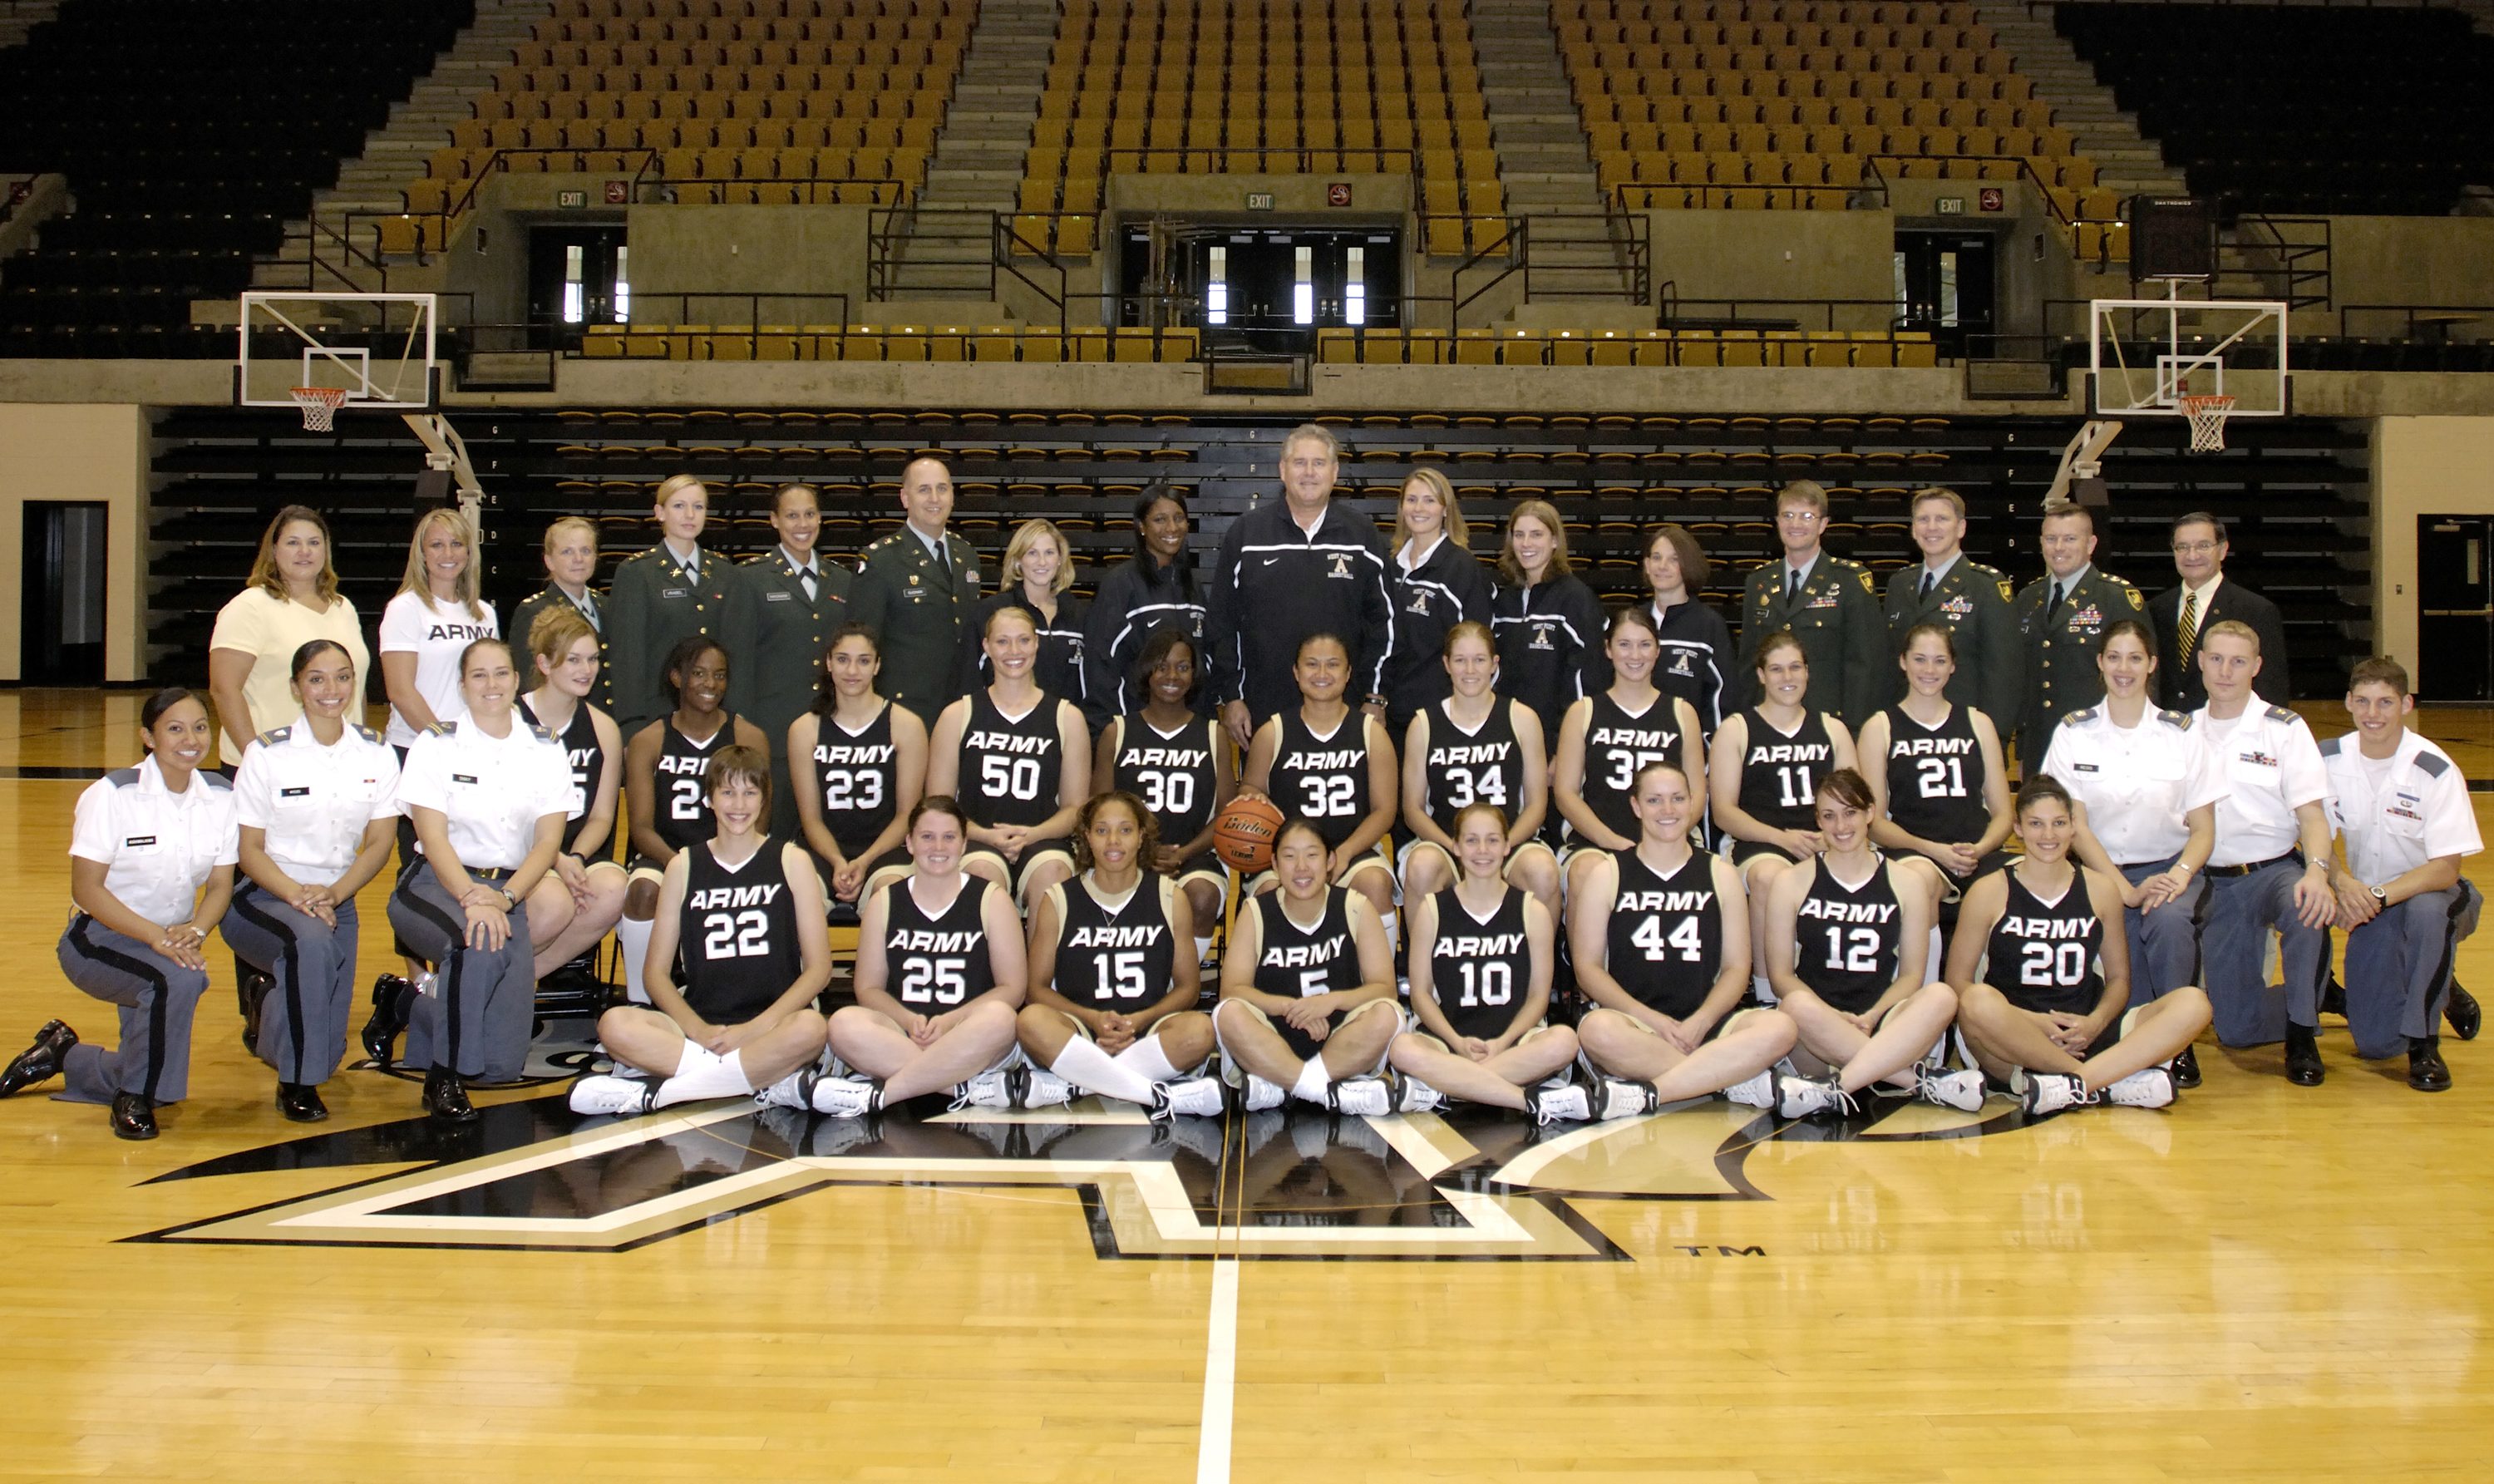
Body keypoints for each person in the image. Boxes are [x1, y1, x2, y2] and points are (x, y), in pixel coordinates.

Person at [0, 689, 236, 1140]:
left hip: (166, 941)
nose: (190, 739)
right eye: (174, 728)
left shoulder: (222, 797)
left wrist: (197, 929)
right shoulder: (111, 795)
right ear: (147, 736)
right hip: (99, 939)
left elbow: (221, 885)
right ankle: (132, 1097)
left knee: (156, 1057)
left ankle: (64, 1056)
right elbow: (85, 888)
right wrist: (155, 937)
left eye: (200, 727)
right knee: (178, 980)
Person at [568, 745, 835, 1117]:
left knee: (811, 1028)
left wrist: (751, 1031)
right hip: (701, 1026)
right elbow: (655, 974)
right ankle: (765, 1082)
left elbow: (819, 969)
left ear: (764, 799)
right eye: (727, 792)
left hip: (772, 1024)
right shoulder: (683, 865)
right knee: (615, 1024)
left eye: (749, 792)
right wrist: (696, 1030)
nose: (738, 804)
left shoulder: (791, 860)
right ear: (709, 799)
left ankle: (662, 1095)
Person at [386, 638, 577, 1122]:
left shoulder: (545, 748)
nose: (491, 685)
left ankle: (407, 1003)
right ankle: (442, 1078)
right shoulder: (436, 743)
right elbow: (432, 837)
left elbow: (547, 841)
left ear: (517, 681)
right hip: (434, 883)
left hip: (508, 891)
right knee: (479, 943)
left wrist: (507, 897)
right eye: (479, 675)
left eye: (501, 674)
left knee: (498, 1066)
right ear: (463, 685)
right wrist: (473, 897)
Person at [1949, 775, 2212, 1114]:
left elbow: (2119, 980)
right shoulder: (1989, 890)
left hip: (2084, 1029)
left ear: (2074, 826)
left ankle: (2074, 1086)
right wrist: (2030, 1021)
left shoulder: (2100, 889)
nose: (2048, 835)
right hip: (2013, 1038)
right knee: (1976, 1001)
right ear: (2018, 828)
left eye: (2059, 823)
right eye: (2036, 824)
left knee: (2193, 1003)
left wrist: (2096, 1023)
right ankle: (2102, 1084)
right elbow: (1958, 982)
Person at [2038, 619, 2227, 1086]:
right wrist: (2122, 889)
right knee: (2121, 952)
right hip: (2099, 873)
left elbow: (2204, 829)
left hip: (2167, 868)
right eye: (2115, 657)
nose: (2124, 668)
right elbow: (2073, 826)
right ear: (2100, 663)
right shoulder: (2072, 733)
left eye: (2135, 658)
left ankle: (2175, 1044)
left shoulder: (2182, 733)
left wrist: (2180, 875)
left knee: (2166, 919)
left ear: (2152, 665)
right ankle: (2137, 1043)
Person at [225, 641, 399, 1122]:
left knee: (328, 1051)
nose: (332, 690)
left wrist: (337, 893)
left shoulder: (376, 752)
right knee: (312, 948)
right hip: (265, 896)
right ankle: (296, 1084)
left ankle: (268, 1007)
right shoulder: (266, 754)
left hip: (336, 900)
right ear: (296, 687)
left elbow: (381, 840)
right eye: (317, 679)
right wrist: (297, 895)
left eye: (343, 677)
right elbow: (248, 851)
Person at [1570, 761, 1799, 1119]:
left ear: (1693, 803)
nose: (1668, 810)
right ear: (1636, 806)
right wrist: (1654, 1021)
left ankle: (1658, 1090)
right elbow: (1588, 970)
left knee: (1781, 1027)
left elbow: (1737, 968)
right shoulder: (1609, 872)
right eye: (1655, 800)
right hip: (1637, 1024)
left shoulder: (1719, 874)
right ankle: (1726, 1079)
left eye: (1678, 799)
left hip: (1705, 1022)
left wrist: (1703, 1021)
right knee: (1598, 1031)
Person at [1762, 770, 1985, 1114]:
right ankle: (1917, 1083)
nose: (1841, 826)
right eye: (1829, 816)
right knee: (1794, 1005)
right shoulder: (1790, 882)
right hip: (1818, 1033)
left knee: (1941, 995)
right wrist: (1833, 1018)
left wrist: (1871, 1016)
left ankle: (1835, 1090)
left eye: (1850, 812)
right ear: (1817, 821)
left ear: (1870, 813)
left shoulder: (1906, 881)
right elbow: (1781, 977)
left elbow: (1912, 976)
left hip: (1885, 1023)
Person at [2317, 656, 2485, 1092]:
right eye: (2364, 702)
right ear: (2349, 703)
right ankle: (2442, 984)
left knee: (2427, 916)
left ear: (2406, 704)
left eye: (2385, 703)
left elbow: (2446, 869)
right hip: (2373, 903)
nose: (2373, 714)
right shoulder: (2328, 760)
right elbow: (2313, 836)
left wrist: (2372, 894)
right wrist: (2341, 882)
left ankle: (2425, 1047)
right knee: (2374, 1044)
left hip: (2438, 894)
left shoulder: (2435, 768)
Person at [1014, 790, 1226, 1117]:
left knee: (1200, 1031)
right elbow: (1036, 989)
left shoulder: (1170, 896)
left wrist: (1137, 1020)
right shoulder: (1059, 899)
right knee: (1031, 1022)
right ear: (1086, 837)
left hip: (1147, 1027)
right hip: (1080, 1029)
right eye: (1102, 830)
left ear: (1142, 836)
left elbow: (1188, 988)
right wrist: (1093, 1019)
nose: (1113, 841)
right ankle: (1154, 1093)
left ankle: (1078, 1083)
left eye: (1125, 830)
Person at [817, 795, 1028, 1116]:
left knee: (1001, 1019)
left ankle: (884, 1094)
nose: (938, 847)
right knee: (843, 1024)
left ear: (964, 844)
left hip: (968, 1033)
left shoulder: (991, 898)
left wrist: (949, 1022)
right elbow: (868, 988)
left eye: (949, 837)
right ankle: (962, 1088)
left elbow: (1012, 989)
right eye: (927, 837)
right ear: (910, 843)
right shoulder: (885, 901)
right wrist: (908, 1020)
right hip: (906, 1034)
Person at [1388, 802, 1587, 1122]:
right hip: (1449, 1037)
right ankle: (1528, 1101)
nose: (1483, 850)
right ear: (1455, 847)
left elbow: (1539, 996)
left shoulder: (1531, 910)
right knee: (1402, 1049)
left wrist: (1503, 1042)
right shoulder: (1432, 910)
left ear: (1508, 846)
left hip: (1512, 1039)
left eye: (1493, 840)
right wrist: (1455, 1041)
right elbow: (1421, 994)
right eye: (1471, 840)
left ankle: (1446, 1088)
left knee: (1564, 1041)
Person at [2191, 621, 2334, 1062]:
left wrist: (2317, 871)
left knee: (2304, 901)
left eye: (2238, 661)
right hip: (2213, 882)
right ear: (2200, 662)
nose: (2225, 671)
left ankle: (2302, 1033)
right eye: (2216, 659)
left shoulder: (2284, 728)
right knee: (2235, 1030)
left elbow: (2313, 815)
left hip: (2274, 870)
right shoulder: (2179, 731)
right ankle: (2314, 996)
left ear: (2256, 666)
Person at [1205, 423, 1396, 747]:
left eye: (1319, 463)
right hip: (1264, 711)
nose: (1309, 472)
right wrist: (1232, 697)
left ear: (1334, 472)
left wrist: (1375, 696)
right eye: (1299, 463)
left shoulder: (1362, 536)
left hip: (1345, 711)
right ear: (1282, 470)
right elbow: (1222, 622)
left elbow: (1385, 624)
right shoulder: (1247, 535)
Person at [1211, 816, 1402, 1115]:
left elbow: (1384, 988)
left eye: (1312, 855)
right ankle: (1324, 1091)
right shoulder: (1256, 911)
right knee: (1228, 1014)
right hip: (1274, 1033)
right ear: (1274, 863)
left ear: (1330, 860)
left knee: (1388, 1015)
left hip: (1341, 1034)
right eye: (1289, 856)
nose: (1301, 867)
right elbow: (1232, 989)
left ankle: (1283, 1085)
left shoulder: (1356, 906)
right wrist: (1290, 1007)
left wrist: (1329, 1002)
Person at [618, 637, 769, 1006]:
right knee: (642, 892)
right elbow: (640, 828)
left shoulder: (748, 736)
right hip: (665, 854)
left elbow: (761, 822)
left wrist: (718, 866)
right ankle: (640, 1004)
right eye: (699, 674)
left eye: (719, 675)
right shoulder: (648, 740)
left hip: (732, 855)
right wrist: (683, 867)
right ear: (676, 677)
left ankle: (744, 996)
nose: (710, 684)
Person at [1710, 629, 1858, 993]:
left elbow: (1854, 803)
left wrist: (1831, 836)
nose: (1787, 678)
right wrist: (1782, 838)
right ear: (1761, 675)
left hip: (1827, 840)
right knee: (1770, 878)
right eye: (1776, 669)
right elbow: (1724, 813)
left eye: (1795, 668)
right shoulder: (1737, 729)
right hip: (1760, 842)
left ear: (1808, 672)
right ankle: (1766, 992)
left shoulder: (1832, 729)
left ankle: (1842, 985)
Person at [927, 604, 1092, 911]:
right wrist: (987, 836)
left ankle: (1041, 961)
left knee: (1053, 877)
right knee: (982, 876)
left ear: (1037, 643)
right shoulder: (957, 715)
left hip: (1044, 839)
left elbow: (1075, 808)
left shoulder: (1067, 717)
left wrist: (1031, 835)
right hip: (975, 838)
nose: (1014, 650)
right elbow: (939, 805)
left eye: (1023, 640)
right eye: (1002, 641)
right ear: (986, 646)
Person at [1241, 631, 1400, 938]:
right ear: (1296, 673)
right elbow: (1250, 789)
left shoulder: (1372, 733)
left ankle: (1382, 981)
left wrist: (1342, 854)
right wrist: (1254, 802)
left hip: (1352, 849)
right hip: (1286, 853)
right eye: (1312, 665)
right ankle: (1278, 981)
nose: (1322, 674)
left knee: (1375, 883)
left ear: (1348, 672)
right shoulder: (1273, 732)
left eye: (1333, 665)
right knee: (1271, 891)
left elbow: (1384, 811)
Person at [721, 482, 851, 840]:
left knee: (826, 832)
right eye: (792, 515)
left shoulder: (841, 578)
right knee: (771, 832)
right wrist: (743, 731)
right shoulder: (748, 578)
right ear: (774, 521)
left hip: (829, 729)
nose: (802, 523)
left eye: (809, 514)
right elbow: (737, 660)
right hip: (772, 731)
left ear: (820, 519)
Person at [1856, 622, 2014, 915]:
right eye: (1920, 659)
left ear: (1953, 666)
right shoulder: (1880, 728)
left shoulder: (1978, 723)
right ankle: (1920, 962)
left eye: (1940, 661)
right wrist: (1932, 849)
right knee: (1922, 882)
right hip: (1914, 853)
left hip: (1976, 852)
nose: (1929, 670)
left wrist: (1979, 849)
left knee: (2026, 882)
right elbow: (1874, 822)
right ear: (1903, 661)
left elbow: (2004, 814)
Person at [1400, 621, 1558, 911]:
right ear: (1447, 664)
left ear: (1494, 664)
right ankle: (1421, 957)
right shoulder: (1423, 724)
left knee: (1543, 871)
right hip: (1446, 844)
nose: (1470, 670)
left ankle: (1539, 957)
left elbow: (1537, 805)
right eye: (1460, 660)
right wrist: (1456, 847)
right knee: (1422, 867)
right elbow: (1413, 809)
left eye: (1479, 660)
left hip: (1511, 842)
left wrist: (1502, 846)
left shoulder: (1522, 718)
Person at [1551, 606, 1706, 900]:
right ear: (1608, 649)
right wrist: (1611, 842)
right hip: (1597, 842)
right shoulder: (1583, 712)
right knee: (1588, 871)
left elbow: (1697, 793)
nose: (1635, 655)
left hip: (1670, 838)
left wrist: (1662, 841)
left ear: (1658, 650)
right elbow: (1566, 794)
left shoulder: (1682, 713)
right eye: (1624, 644)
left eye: (1645, 644)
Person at [1093, 626, 1233, 949]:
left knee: (1201, 896)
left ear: (1194, 674)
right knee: (1123, 897)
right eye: (1162, 666)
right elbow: (1098, 811)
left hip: (1195, 855)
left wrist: (1184, 853)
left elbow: (1227, 815)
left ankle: (1182, 986)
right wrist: (1139, 852)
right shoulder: (1118, 732)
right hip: (1125, 854)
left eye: (1183, 667)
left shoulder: (1214, 734)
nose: (1173, 675)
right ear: (1147, 671)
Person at [511, 606, 628, 980]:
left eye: (593, 659)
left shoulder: (604, 729)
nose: (586, 669)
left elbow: (602, 817)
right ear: (545, 664)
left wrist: (574, 857)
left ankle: (520, 979)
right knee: (553, 903)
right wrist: (553, 859)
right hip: (518, 852)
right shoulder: (511, 721)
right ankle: (486, 980)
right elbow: (503, 812)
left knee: (613, 889)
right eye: (574, 660)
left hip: (576, 855)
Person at [207, 505, 372, 767]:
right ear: (273, 550)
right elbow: (223, 689)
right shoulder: (250, 607)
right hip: (271, 765)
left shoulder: (344, 608)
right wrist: (255, 759)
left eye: (314, 543)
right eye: (293, 542)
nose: (304, 551)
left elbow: (357, 685)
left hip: (339, 762)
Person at [788, 624, 927, 910]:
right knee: (798, 895)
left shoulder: (906, 725)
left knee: (890, 896)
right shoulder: (804, 729)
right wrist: (838, 861)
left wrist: (864, 861)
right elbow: (810, 819)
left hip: (886, 849)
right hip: (823, 850)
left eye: (863, 661)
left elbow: (906, 816)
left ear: (877, 666)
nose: (852, 671)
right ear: (828, 663)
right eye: (842, 659)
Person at [1734, 480, 1885, 728]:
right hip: (1769, 721)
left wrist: (1855, 729)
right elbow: (1749, 663)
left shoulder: (1850, 581)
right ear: (1777, 521)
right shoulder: (1758, 582)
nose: (1795, 524)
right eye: (1788, 515)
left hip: (1829, 721)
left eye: (1806, 516)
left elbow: (1865, 666)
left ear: (1823, 524)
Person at [851, 455, 983, 725]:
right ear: (905, 498)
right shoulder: (881, 560)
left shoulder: (967, 555)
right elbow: (862, 644)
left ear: (952, 496)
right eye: (924, 490)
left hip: (963, 707)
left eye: (942, 488)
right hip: (905, 711)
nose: (935, 498)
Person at [2013, 500, 2146, 766]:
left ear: (2091, 544)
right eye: (2051, 538)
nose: (2059, 547)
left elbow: (2144, 677)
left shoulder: (2116, 597)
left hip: (2099, 741)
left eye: (2070, 538)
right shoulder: (2028, 598)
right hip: (2039, 743)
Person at [1880, 487, 2019, 727]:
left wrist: (1994, 734)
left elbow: (2003, 672)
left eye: (1942, 519)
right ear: (1914, 528)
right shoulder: (1899, 584)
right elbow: (1890, 665)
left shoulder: (1986, 585)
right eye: (1923, 519)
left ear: (1961, 527)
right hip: (1905, 726)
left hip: (1964, 727)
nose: (1931, 527)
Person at [606, 473, 727, 738]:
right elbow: (628, 657)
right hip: (657, 713)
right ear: (660, 513)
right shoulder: (637, 573)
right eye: (679, 506)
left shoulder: (724, 571)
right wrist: (632, 724)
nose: (690, 515)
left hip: (712, 714)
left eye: (698, 507)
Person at [1381, 467, 1492, 739]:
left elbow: (1478, 647)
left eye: (1430, 500)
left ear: (1445, 510)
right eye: (1412, 499)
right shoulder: (1389, 566)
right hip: (1390, 714)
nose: (1419, 508)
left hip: (1441, 716)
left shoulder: (1462, 568)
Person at [2150, 511, 2290, 715]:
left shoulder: (2256, 610)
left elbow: (2271, 687)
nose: (2192, 555)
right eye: (2182, 547)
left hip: (2227, 732)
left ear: (2223, 550)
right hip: (2167, 732)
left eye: (2203, 546)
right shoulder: (2156, 609)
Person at [1083, 483, 1205, 717]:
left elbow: (1202, 664)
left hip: (1185, 732)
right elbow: (1101, 666)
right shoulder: (1121, 584)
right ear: (1141, 527)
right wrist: (1116, 732)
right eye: (1160, 519)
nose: (1172, 527)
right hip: (1135, 732)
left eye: (1179, 518)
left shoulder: (1193, 588)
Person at [1489, 497, 1606, 741]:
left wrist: (1566, 744)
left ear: (1554, 541)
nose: (1526, 543)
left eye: (1536, 534)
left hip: (1557, 743)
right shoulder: (1505, 603)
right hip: (1507, 738)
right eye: (1519, 535)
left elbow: (1589, 681)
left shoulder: (1575, 598)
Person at [961, 517, 1092, 725]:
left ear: (1060, 559)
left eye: (1049, 553)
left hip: (1064, 732)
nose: (1042, 562)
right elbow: (967, 680)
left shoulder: (1080, 616)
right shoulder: (991, 612)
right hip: (1002, 732)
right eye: (1032, 553)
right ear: (1018, 560)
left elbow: (1092, 687)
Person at [508, 515, 612, 713]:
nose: (578, 559)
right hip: (558, 720)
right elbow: (529, 681)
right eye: (567, 552)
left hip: (606, 721)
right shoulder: (533, 611)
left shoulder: (606, 605)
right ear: (549, 561)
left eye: (586, 551)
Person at [1640, 523, 1736, 735]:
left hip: (1687, 755)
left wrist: (1711, 755)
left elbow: (1722, 700)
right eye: (1656, 558)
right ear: (1647, 565)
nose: (1662, 566)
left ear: (1688, 565)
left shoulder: (1709, 625)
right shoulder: (1632, 621)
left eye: (1674, 559)